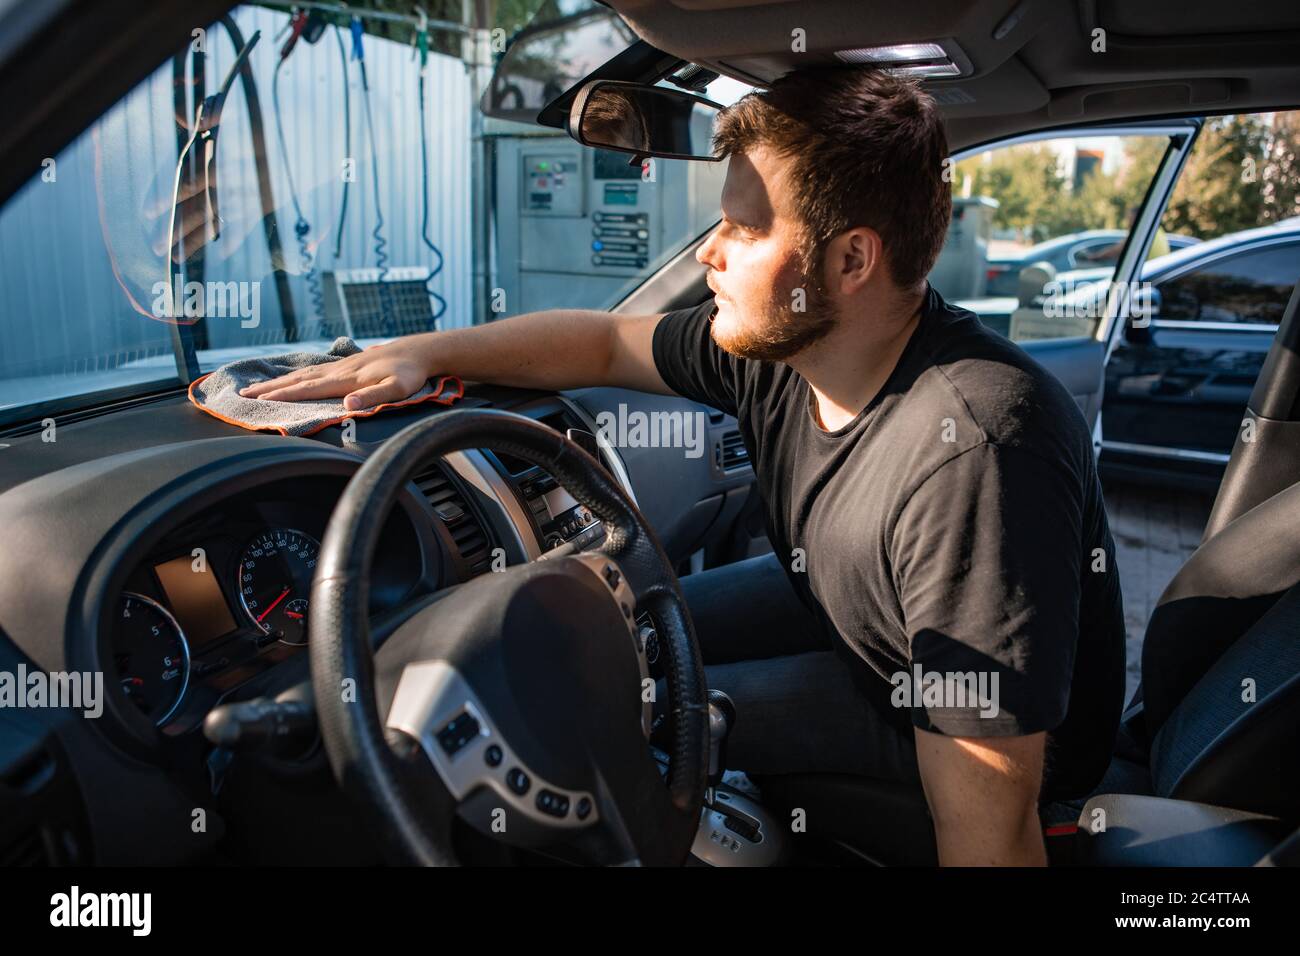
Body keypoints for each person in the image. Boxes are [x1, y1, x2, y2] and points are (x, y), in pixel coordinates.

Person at [241, 66, 1126, 866]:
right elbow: (599, 340)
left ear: (852, 259)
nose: (709, 251)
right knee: (624, 627)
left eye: (744, 227)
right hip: (860, 618)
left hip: (961, 733)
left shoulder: (975, 451)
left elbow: (992, 826)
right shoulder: (786, 350)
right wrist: (426, 353)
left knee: (632, 711)